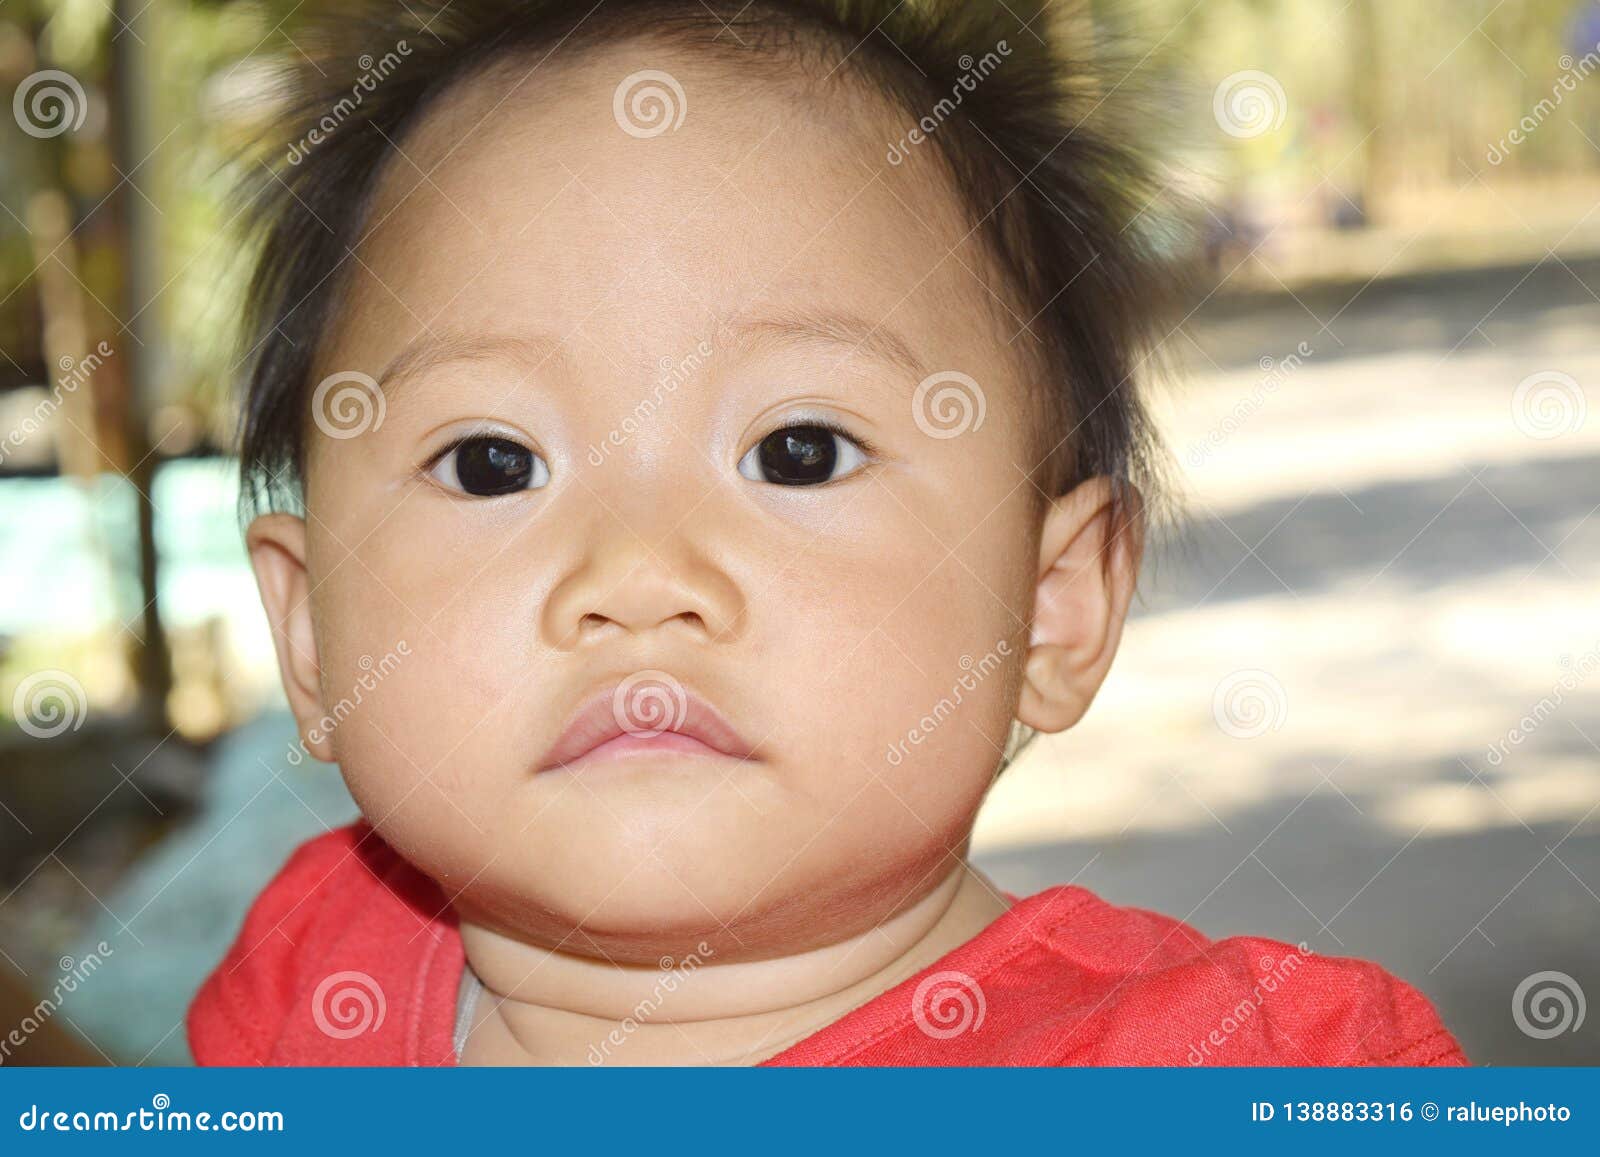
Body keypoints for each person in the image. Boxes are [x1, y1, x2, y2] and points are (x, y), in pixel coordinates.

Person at [187, 0, 1465, 1067]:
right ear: (310, 635)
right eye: (491, 463)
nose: (638, 574)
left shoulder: (1221, 1070)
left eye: (798, 451)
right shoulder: (310, 978)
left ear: (1052, 603)